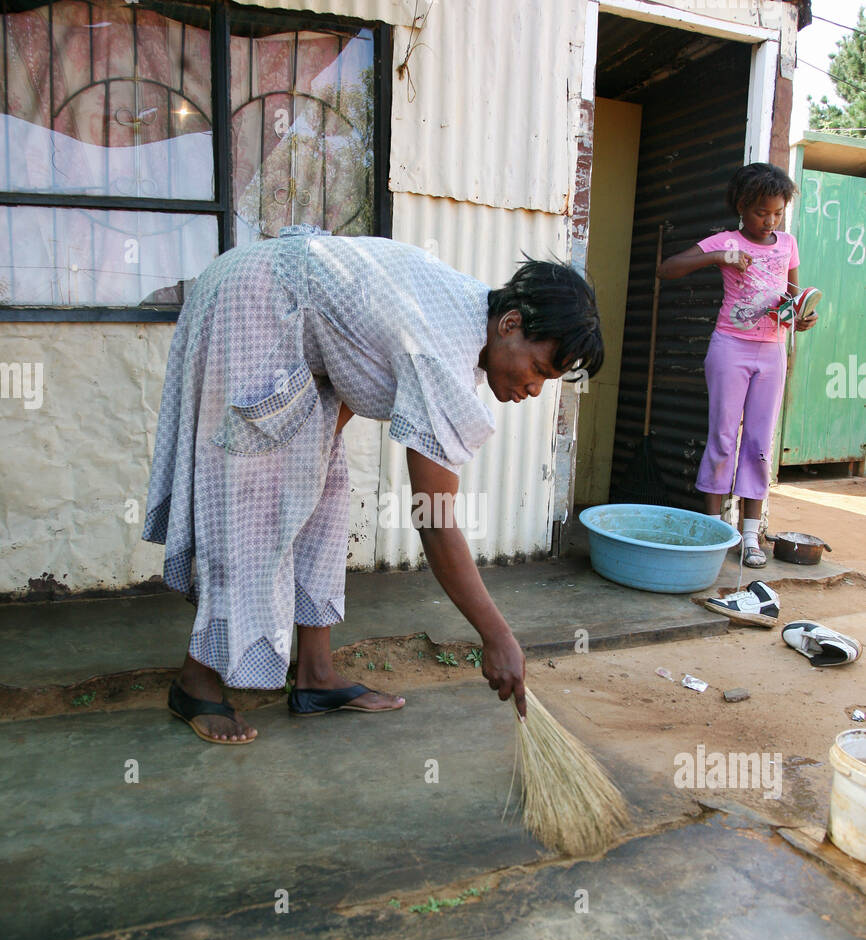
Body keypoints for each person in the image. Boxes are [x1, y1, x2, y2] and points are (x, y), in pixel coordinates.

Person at [143, 227, 603, 744]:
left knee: (322, 494)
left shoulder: (467, 322)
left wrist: (307, 469)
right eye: (538, 369)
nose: (533, 389)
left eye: (547, 381)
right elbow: (433, 518)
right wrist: (496, 635)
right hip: (253, 300)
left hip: (287, 314)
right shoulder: (442, 349)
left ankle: (315, 677)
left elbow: (348, 355)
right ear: (510, 324)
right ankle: (195, 680)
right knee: (254, 501)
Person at [658, 162, 820, 567]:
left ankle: (750, 538)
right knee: (723, 438)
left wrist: (801, 317)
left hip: (772, 350)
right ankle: (713, 530)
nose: (770, 221)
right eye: (762, 212)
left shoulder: (788, 244)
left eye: (777, 212)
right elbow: (667, 269)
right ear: (742, 207)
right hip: (730, 347)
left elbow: (792, 297)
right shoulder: (725, 241)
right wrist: (719, 258)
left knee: (759, 443)